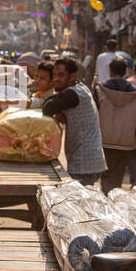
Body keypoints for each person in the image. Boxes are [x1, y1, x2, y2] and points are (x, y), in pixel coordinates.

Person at [43, 57, 107, 186]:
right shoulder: (81, 87)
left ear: (72, 76)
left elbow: (48, 108)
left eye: (61, 75)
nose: (56, 79)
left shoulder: (74, 94)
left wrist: (51, 90)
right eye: (54, 75)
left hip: (84, 163)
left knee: (80, 202)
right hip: (87, 160)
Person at [95, 57, 136, 192]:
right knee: (117, 178)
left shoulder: (100, 90)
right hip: (126, 144)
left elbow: (93, 118)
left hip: (104, 141)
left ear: (110, 71)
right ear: (126, 72)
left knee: (106, 177)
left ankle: (108, 201)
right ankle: (112, 200)